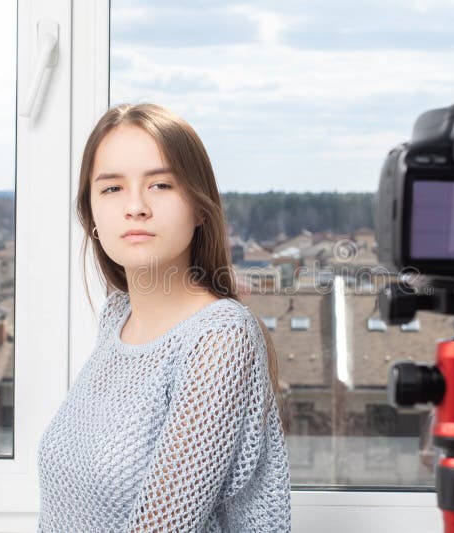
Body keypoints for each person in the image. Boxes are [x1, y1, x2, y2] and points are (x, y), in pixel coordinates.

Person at [36, 103, 292, 532]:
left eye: (160, 185)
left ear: (199, 208)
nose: (135, 206)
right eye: (112, 188)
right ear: (92, 216)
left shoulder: (221, 337)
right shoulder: (117, 317)